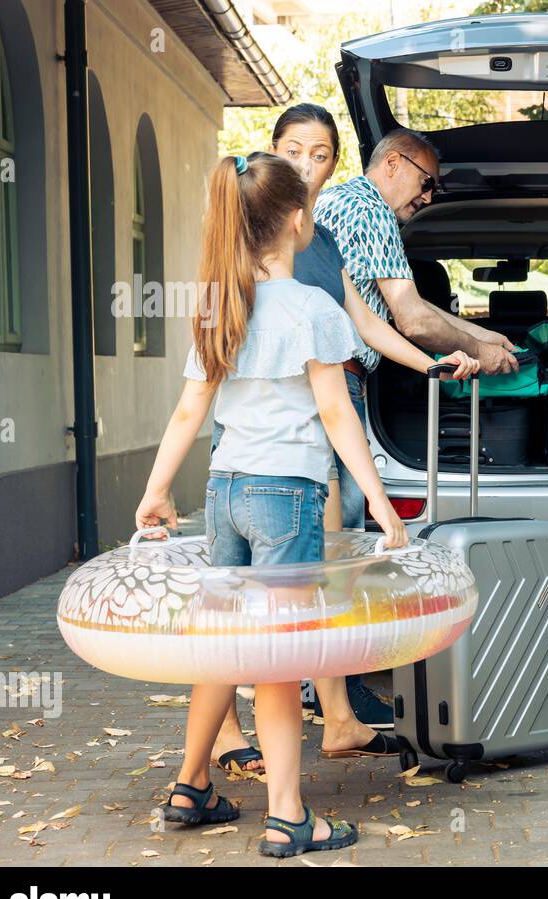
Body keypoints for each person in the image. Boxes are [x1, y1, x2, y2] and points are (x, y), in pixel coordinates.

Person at [137, 152, 406, 854]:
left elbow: (189, 411)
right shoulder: (311, 308)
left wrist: (156, 490)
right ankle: (288, 815)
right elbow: (337, 415)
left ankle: (190, 787)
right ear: (297, 221)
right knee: (281, 662)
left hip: (223, 492)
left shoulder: (220, 303)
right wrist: (378, 500)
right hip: (285, 497)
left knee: (225, 653)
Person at [207, 105, 479, 772]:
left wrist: (433, 362)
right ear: (272, 155)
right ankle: (224, 735)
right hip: (270, 443)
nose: (306, 164)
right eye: (294, 150)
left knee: (319, 574)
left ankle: (338, 721)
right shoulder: (243, 243)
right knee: (250, 596)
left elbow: (367, 322)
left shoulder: (316, 242)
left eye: (321, 153)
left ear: (334, 164)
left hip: (315, 436)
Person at [313, 126, 520, 397]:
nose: (428, 197)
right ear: (392, 163)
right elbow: (413, 321)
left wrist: (482, 334)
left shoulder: (327, 200)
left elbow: (407, 302)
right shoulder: (374, 212)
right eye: (426, 182)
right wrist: (480, 352)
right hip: (339, 377)